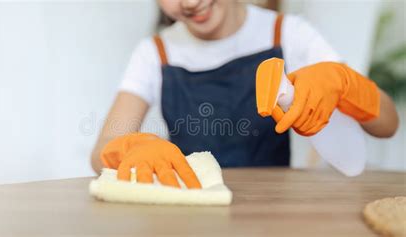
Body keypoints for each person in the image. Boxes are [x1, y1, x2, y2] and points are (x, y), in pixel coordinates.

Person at [90, 0, 399, 188]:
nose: (189, 2)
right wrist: (130, 148)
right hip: (190, 213)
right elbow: (101, 150)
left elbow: (388, 124)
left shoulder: (288, 33)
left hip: (275, 211)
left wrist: (345, 83)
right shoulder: (154, 53)